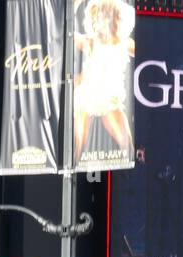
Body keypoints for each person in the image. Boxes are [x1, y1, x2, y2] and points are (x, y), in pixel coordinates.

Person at [73, 0, 135, 162]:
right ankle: (70, 173)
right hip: (87, 96)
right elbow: (68, 35)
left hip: (110, 100)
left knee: (127, 148)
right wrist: (74, 6)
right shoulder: (92, 41)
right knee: (76, 149)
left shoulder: (125, 43)